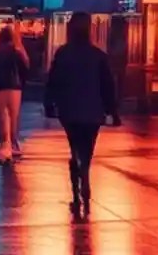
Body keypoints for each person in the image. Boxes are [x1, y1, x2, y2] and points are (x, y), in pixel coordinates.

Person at [44, 12, 120, 218]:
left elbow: (53, 81)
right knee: (88, 148)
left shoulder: (63, 54)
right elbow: (108, 86)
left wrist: (49, 104)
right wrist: (113, 111)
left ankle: (76, 188)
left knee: (74, 146)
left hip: (69, 110)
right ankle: (84, 174)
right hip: (93, 111)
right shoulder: (98, 56)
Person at [0, 25, 30, 165]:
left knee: (2, 117)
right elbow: (25, 68)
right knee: (13, 116)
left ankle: (4, 145)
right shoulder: (18, 52)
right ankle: (14, 144)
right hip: (15, 87)